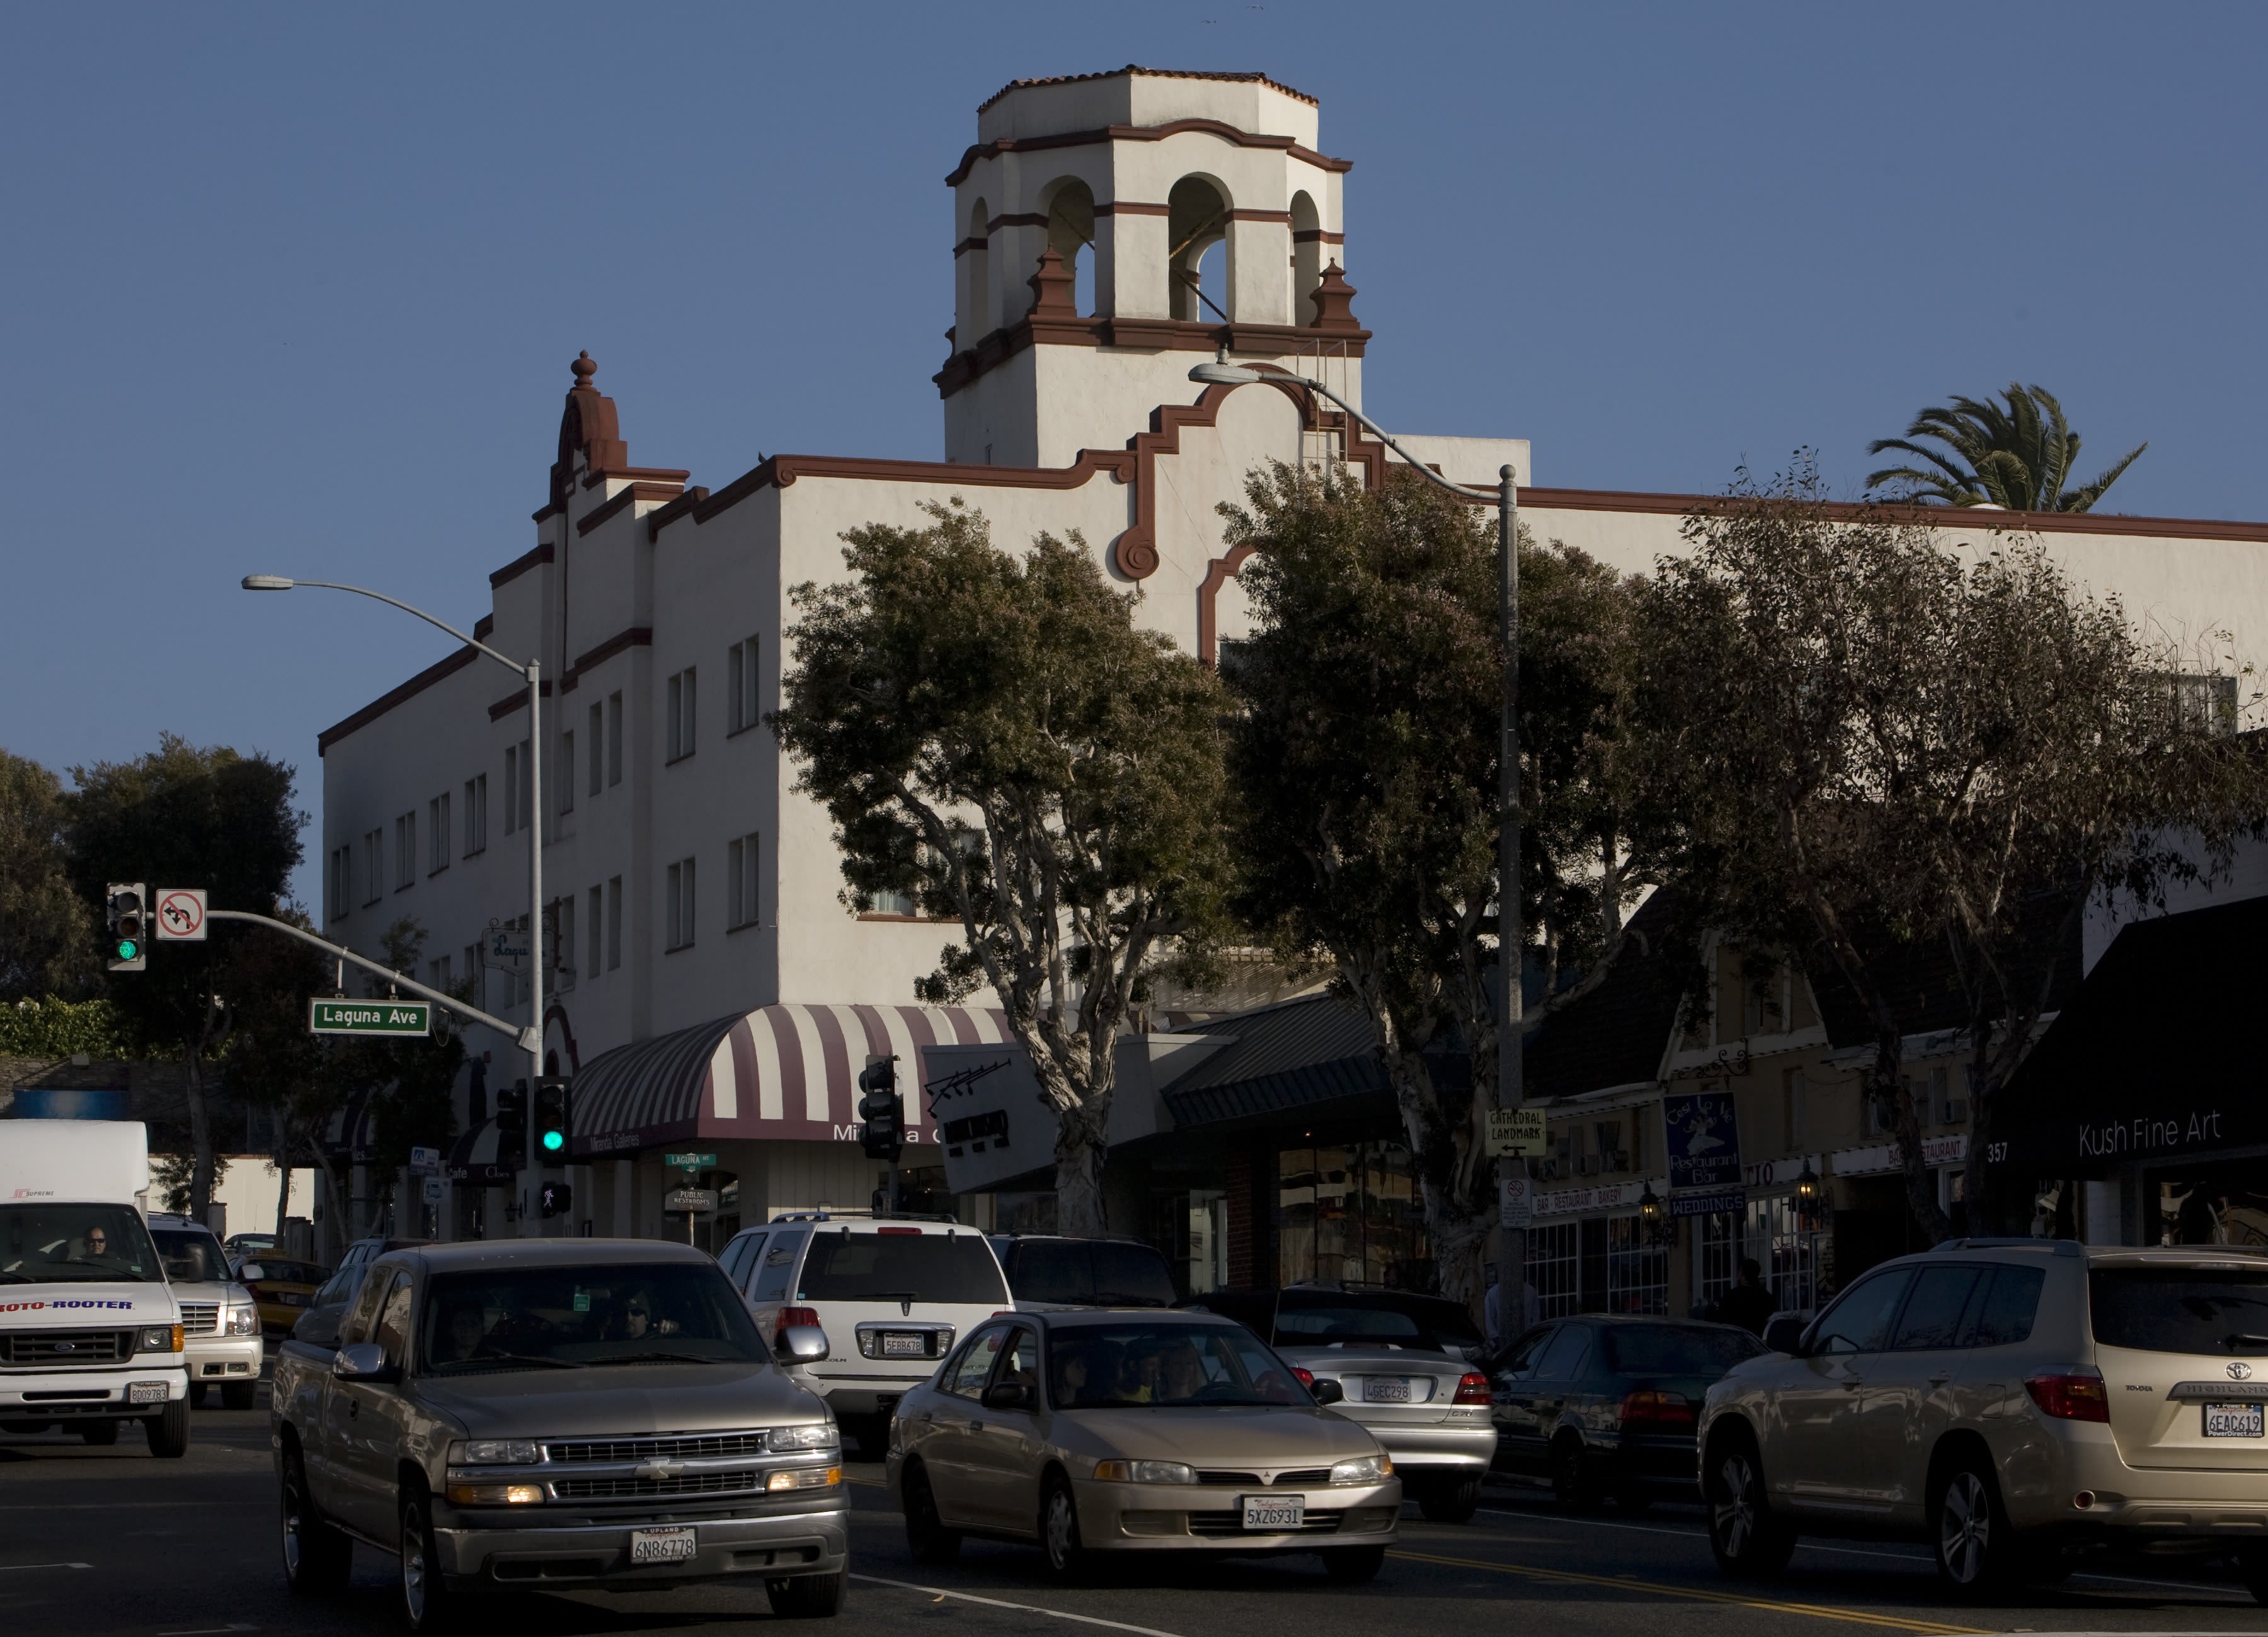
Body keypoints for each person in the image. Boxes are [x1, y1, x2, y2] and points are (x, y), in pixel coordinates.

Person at [1715, 1258, 1777, 1336]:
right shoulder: (1765, 1295)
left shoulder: (1731, 1295)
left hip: (1735, 1336)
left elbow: (1721, 1317)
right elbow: (1771, 1311)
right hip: (1757, 1337)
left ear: (1741, 1274)